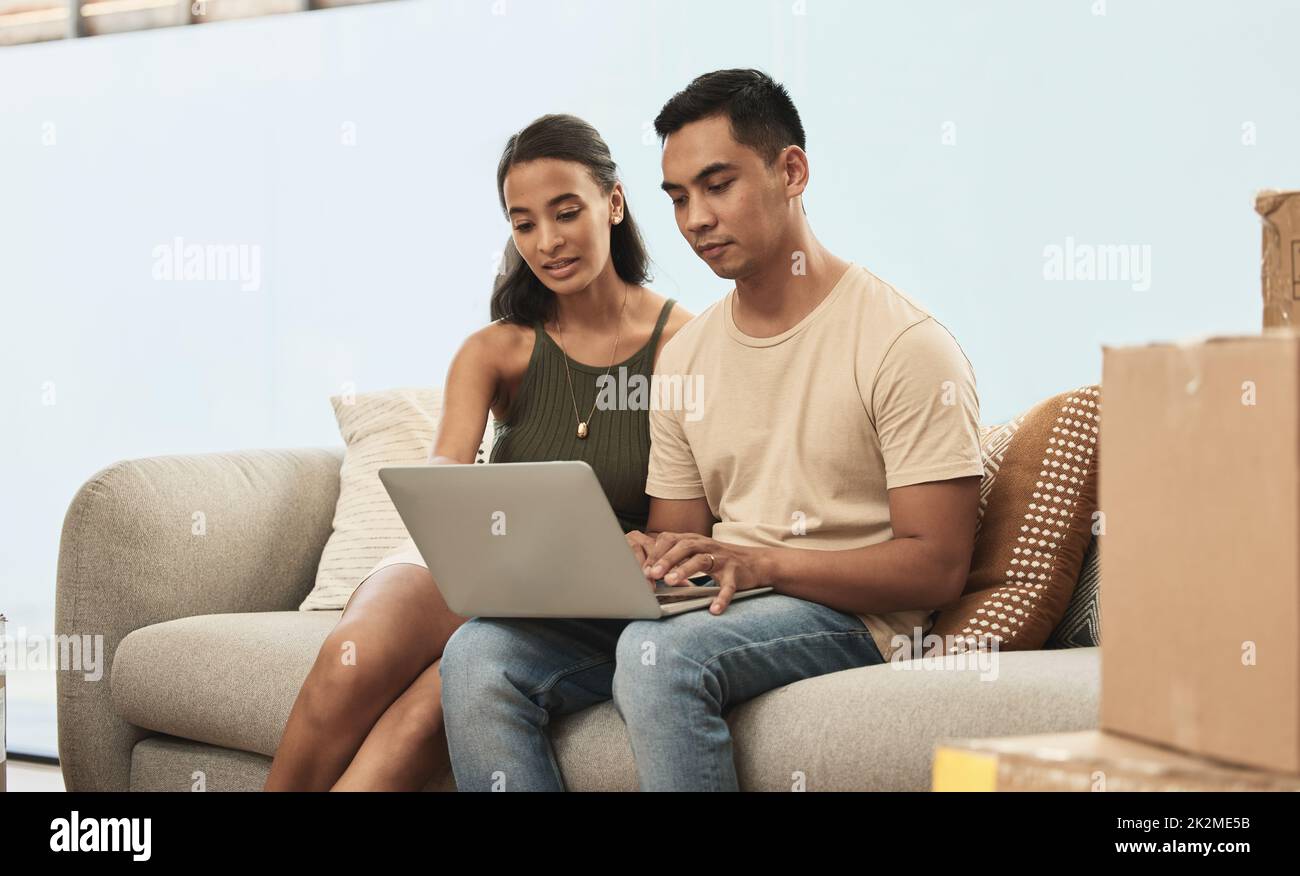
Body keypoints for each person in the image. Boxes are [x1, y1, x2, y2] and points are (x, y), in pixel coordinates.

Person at [438, 69, 985, 791]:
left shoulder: (903, 343)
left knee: (661, 656)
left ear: (791, 171)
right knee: (479, 656)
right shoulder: (689, 356)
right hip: (724, 600)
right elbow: (680, 536)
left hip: (849, 616)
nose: (695, 217)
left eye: (717, 185)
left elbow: (936, 564)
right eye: (678, 197)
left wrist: (764, 563)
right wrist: (635, 553)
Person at [263, 113, 691, 791]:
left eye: (566, 211)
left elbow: (681, 527)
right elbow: (446, 479)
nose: (546, 242)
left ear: (613, 203)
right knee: (351, 657)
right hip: (481, 565)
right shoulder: (496, 349)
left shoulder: (681, 344)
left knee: (423, 716)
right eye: (524, 223)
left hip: (586, 595)